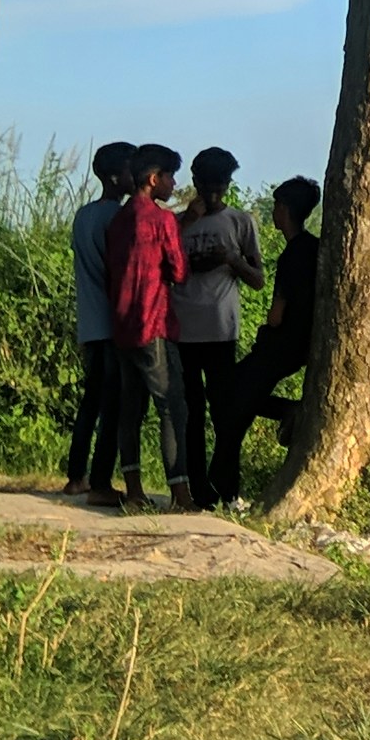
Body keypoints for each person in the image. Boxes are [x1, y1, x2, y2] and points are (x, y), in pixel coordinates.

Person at [212, 175, 322, 506]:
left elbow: (276, 312)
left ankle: (225, 490)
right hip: (301, 344)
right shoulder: (316, 247)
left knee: (229, 400)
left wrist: (267, 329)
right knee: (236, 400)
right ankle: (223, 487)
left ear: (284, 210)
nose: (273, 212)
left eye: (275, 207)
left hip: (281, 344)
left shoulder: (291, 255)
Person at [171, 147, 266, 511]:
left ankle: (228, 488)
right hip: (184, 332)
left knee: (225, 413)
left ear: (228, 185)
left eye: (219, 188)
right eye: (205, 187)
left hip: (221, 332)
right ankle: (198, 490)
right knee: (190, 414)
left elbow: (257, 279)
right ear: (194, 182)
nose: (212, 196)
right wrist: (186, 224)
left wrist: (230, 259)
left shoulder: (240, 223)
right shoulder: (177, 223)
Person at [104, 141, 194, 512]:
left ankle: (135, 489)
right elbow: (178, 271)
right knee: (173, 407)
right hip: (153, 322)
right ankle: (180, 493)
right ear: (154, 179)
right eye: (171, 177)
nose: (174, 184)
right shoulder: (162, 221)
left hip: (122, 324)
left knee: (131, 407)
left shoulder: (119, 220)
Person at [64, 139, 138, 505]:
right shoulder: (118, 218)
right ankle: (101, 483)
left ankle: (75, 475)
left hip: (90, 323)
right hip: (114, 324)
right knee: (114, 406)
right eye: (130, 169)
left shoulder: (83, 215)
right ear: (114, 176)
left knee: (91, 401)